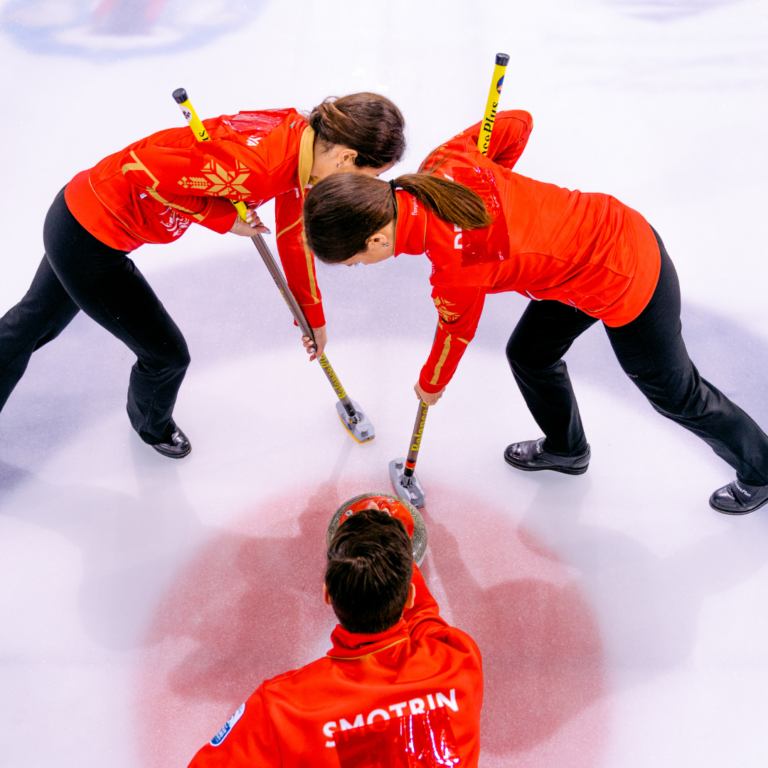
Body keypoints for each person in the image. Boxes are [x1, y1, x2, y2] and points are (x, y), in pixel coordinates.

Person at [302, 110, 768, 515]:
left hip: (624, 273)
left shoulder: (456, 263)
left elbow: (454, 336)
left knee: (677, 394)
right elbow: (516, 123)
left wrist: (430, 385)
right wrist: (489, 173)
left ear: (377, 239)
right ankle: (567, 449)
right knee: (530, 352)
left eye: (354, 261)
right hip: (586, 254)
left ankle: (761, 469)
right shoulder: (445, 162)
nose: (359, 267)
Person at [0, 93, 405, 457]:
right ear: (348, 157)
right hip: (91, 239)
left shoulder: (301, 136)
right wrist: (223, 215)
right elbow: (139, 168)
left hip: (78, 211)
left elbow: (292, 234)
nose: (358, 187)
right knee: (166, 356)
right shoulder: (259, 168)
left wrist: (311, 316)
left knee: (28, 327)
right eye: (366, 177)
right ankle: (152, 428)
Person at [187, 504, 483, 767]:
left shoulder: (282, 708)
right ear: (408, 596)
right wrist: (395, 545)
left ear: (327, 595)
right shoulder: (457, 660)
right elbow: (423, 616)